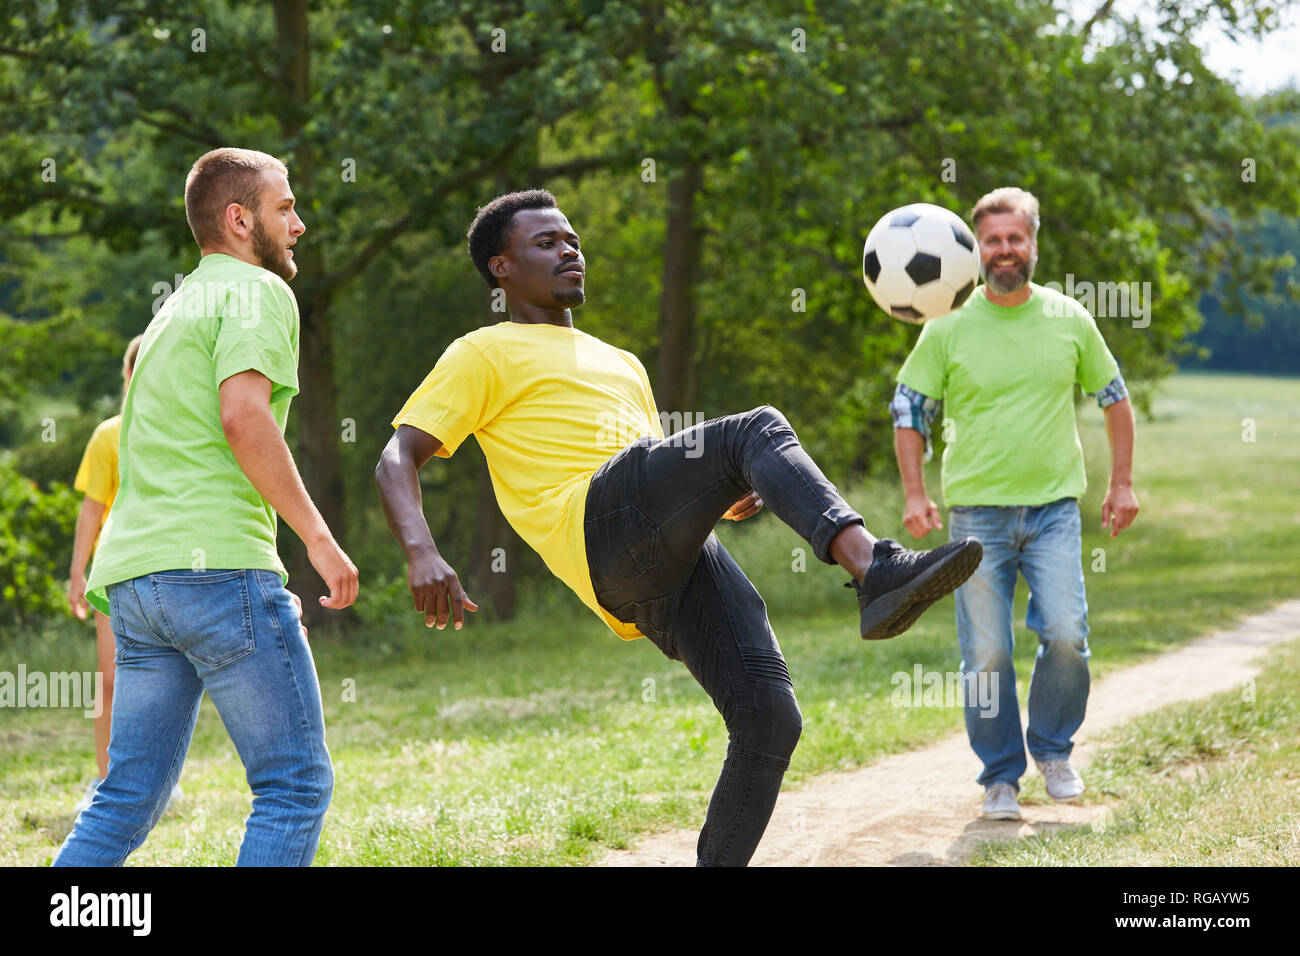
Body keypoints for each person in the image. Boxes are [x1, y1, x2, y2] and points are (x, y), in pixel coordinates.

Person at [375, 188, 983, 866]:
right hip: (594, 532)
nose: (570, 250)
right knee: (754, 428)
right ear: (501, 268)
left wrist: (713, 499)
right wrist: (421, 551)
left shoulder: (622, 363)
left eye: (572, 239)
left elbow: (645, 465)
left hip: (657, 562)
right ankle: (876, 568)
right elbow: (398, 455)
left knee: (769, 719)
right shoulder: (481, 352)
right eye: (545, 243)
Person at [53, 147, 359, 867]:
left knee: (125, 794)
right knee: (294, 785)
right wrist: (316, 538)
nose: (300, 224)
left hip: (136, 582)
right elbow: (243, 417)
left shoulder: (172, 311)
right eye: (285, 208)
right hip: (217, 573)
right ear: (239, 217)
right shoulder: (257, 293)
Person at [890, 186, 1140, 821]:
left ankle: (1053, 752)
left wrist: (1121, 483)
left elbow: (1114, 397)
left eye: (1015, 238)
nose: (1005, 250)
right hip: (976, 517)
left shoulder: (1068, 318)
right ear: (978, 248)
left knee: (1065, 635)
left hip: (1054, 509)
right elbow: (909, 410)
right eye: (993, 240)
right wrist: (915, 493)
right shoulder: (946, 322)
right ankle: (1000, 777)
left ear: (1033, 243)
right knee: (987, 653)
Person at [66, 333, 186, 815]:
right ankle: (103, 782)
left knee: (172, 682)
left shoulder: (182, 431)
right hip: (114, 576)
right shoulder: (108, 434)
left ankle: (164, 783)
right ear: (130, 375)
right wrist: (77, 572)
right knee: (112, 681)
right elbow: (91, 509)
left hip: (170, 567)